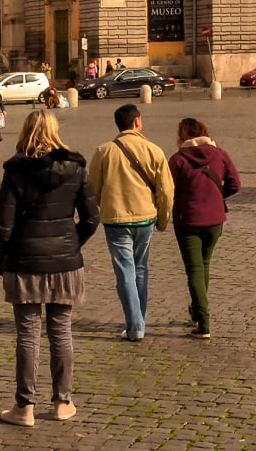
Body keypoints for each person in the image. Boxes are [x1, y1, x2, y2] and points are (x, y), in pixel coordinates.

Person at [0, 110, 98, 427]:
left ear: (26, 131)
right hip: (65, 263)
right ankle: (62, 402)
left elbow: (2, 226)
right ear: (55, 131)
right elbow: (92, 218)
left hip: (25, 262)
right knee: (61, 331)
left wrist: (9, 252)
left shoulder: (15, 170)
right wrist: (70, 244)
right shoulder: (76, 167)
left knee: (27, 335)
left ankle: (24, 407)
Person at [86, 103, 174, 343]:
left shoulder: (104, 151)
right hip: (146, 218)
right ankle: (139, 321)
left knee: (125, 270)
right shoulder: (154, 150)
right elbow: (167, 190)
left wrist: (102, 206)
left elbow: (92, 188)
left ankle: (135, 325)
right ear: (137, 122)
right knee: (141, 268)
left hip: (116, 219)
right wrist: (163, 218)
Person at [168, 118, 240, 339]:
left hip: (187, 220)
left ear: (182, 136)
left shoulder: (178, 159)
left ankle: (203, 321)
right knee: (204, 264)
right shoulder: (221, 154)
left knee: (195, 270)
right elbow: (235, 184)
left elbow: (168, 189)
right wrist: (217, 198)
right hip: (215, 220)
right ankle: (197, 310)